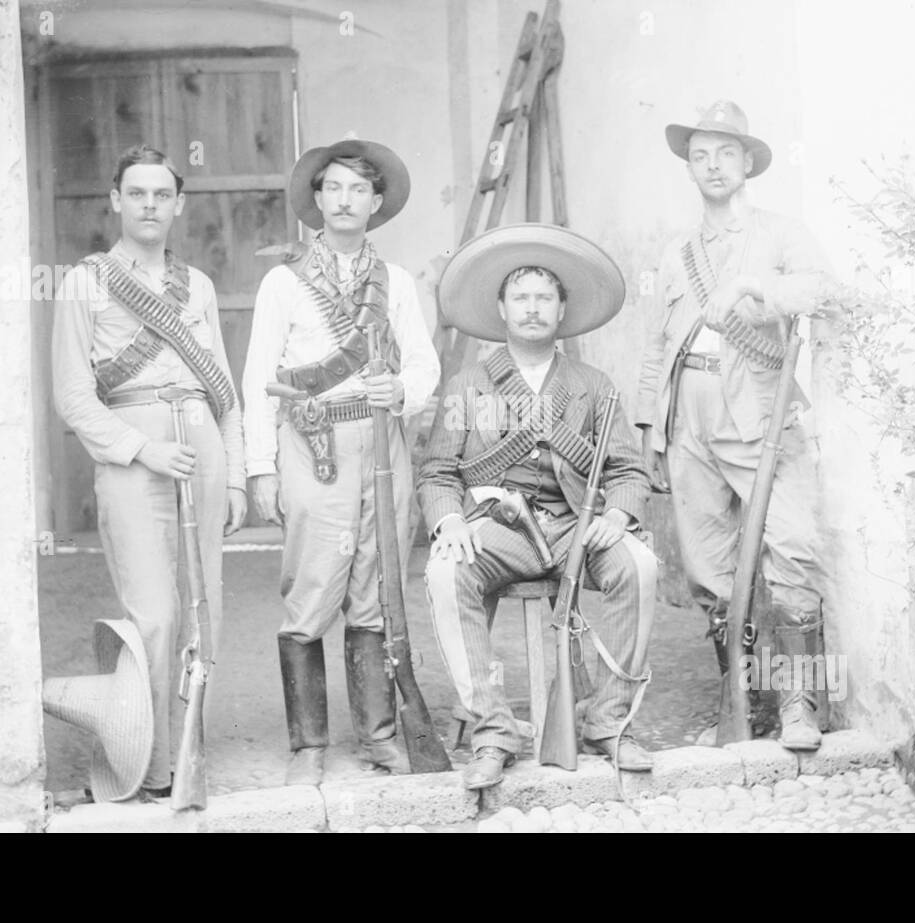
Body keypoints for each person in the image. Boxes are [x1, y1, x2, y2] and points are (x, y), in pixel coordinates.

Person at [419, 223, 657, 791]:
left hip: (578, 527)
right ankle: (494, 731)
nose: (532, 309)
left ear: (561, 309)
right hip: (504, 530)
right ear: (501, 308)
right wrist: (449, 519)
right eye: (520, 298)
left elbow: (628, 470)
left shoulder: (594, 385)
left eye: (544, 298)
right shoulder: (469, 384)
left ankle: (608, 722)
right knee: (446, 573)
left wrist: (617, 516)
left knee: (640, 567)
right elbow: (437, 471)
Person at [636, 100, 834, 751]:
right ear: (689, 167)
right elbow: (654, 345)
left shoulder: (780, 234)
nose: (712, 165)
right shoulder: (677, 252)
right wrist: (651, 431)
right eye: (700, 154)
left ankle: (801, 702)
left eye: (725, 152)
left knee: (792, 552)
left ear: (747, 161)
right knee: (710, 571)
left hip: (759, 412)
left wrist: (753, 285)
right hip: (689, 418)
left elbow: (822, 292)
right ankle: (744, 700)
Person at [241, 139, 440, 786]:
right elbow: (256, 377)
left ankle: (381, 734)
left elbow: (424, 362)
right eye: (334, 188)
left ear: (377, 203)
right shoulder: (284, 281)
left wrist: (403, 391)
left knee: (377, 590)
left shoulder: (398, 283)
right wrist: (261, 465)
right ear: (317, 201)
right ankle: (309, 744)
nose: (345, 199)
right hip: (313, 443)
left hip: (383, 443)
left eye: (359, 189)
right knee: (310, 588)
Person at [53, 143, 246, 798]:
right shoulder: (86, 281)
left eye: (161, 194)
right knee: (156, 613)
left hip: (203, 453)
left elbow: (223, 388)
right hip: (134, 456)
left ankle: (189, 754)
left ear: (178, 205)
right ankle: (150, 761)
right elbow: (74, 398)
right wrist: (144, 449)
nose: (149, 205)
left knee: (203, 611)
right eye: (136, 193)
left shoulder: (199, 288)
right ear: (115, 200)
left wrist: (239, 472)